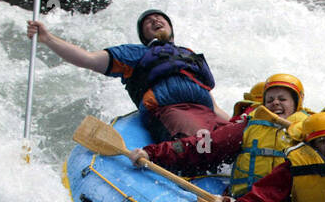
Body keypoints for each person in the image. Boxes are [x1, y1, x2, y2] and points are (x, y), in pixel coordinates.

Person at [25, 8, 227, 143]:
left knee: (242, 137)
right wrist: (48, 38)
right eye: (148, 22)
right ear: (143, 35)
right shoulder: (135, 53)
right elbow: (88, 59)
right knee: (203, 143)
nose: (155, 20)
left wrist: (235, 122)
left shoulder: (189, 55)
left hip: (204, 112)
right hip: (170, 112)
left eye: (159, 18)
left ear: (170, 27)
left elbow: (213, 104)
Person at [130, 73, 313, 190]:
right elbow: (200, 146)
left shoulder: (309, 131)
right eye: (270, 99)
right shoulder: (248, 127)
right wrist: (153, 153)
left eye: (283, 99)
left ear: (297, 103)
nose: (275, 103)